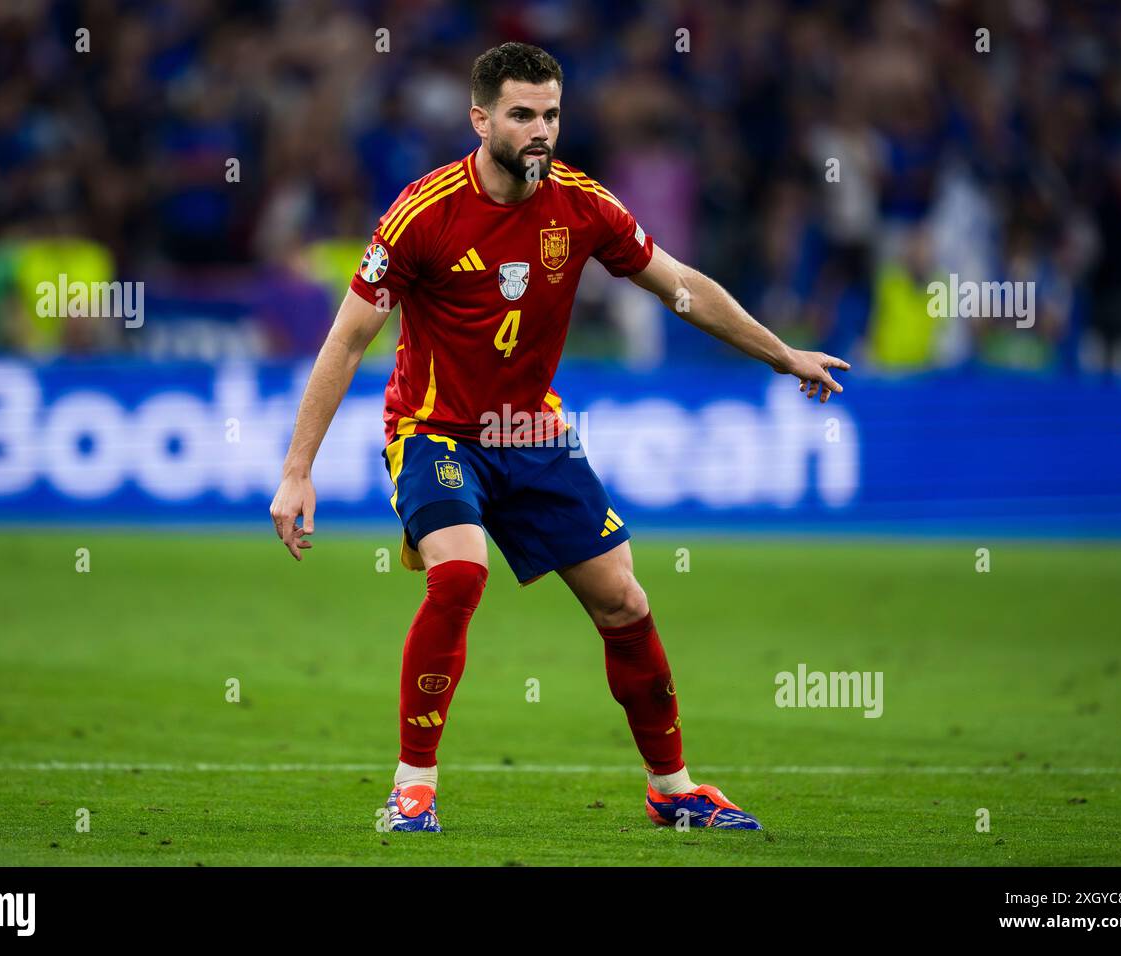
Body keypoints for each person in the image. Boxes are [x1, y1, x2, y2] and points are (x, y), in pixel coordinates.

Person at [270, 42, 849, 832]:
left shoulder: (583, 205)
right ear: (480, 119)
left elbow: (680, 287)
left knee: (624, 603)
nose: (540, 130)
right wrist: (298, 468)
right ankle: (412, 789)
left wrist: (782, 353)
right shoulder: (421, 213)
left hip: (531, 431)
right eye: (521, 115)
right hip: (435, 432)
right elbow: (345, 341)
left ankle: (673, 789)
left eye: (550, 114)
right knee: (460, 574)